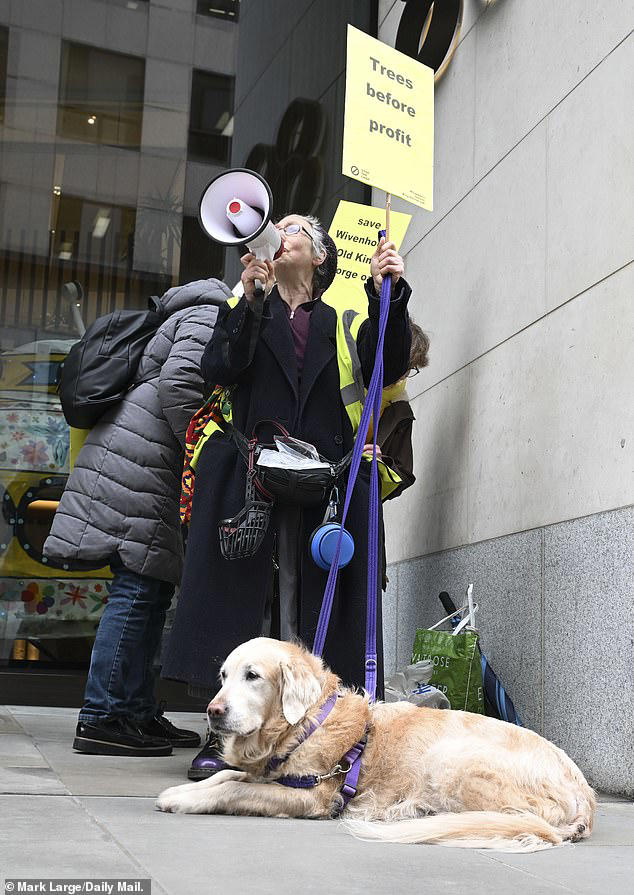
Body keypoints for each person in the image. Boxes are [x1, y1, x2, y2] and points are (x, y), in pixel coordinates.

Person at [161, 214, 413, 779]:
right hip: (253, 483)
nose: (278, 229)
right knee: (249, 602)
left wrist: (387, 295)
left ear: (320, 257)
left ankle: (314, 736)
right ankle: (225, 737)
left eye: (294, 227)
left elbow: (388, 362)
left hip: (323, 488)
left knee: (310, 606)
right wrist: (250, 299)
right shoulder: (248, 305)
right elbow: (218, 367)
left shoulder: (344, 320)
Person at [43, 279, 231, 756]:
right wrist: (202, 450)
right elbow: (180, 383)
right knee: (136, 591)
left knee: (150, 590)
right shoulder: (210, 312)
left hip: (140, 457)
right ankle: (102, 716)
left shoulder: (187, 313)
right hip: (142, 460)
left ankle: (134, 711)